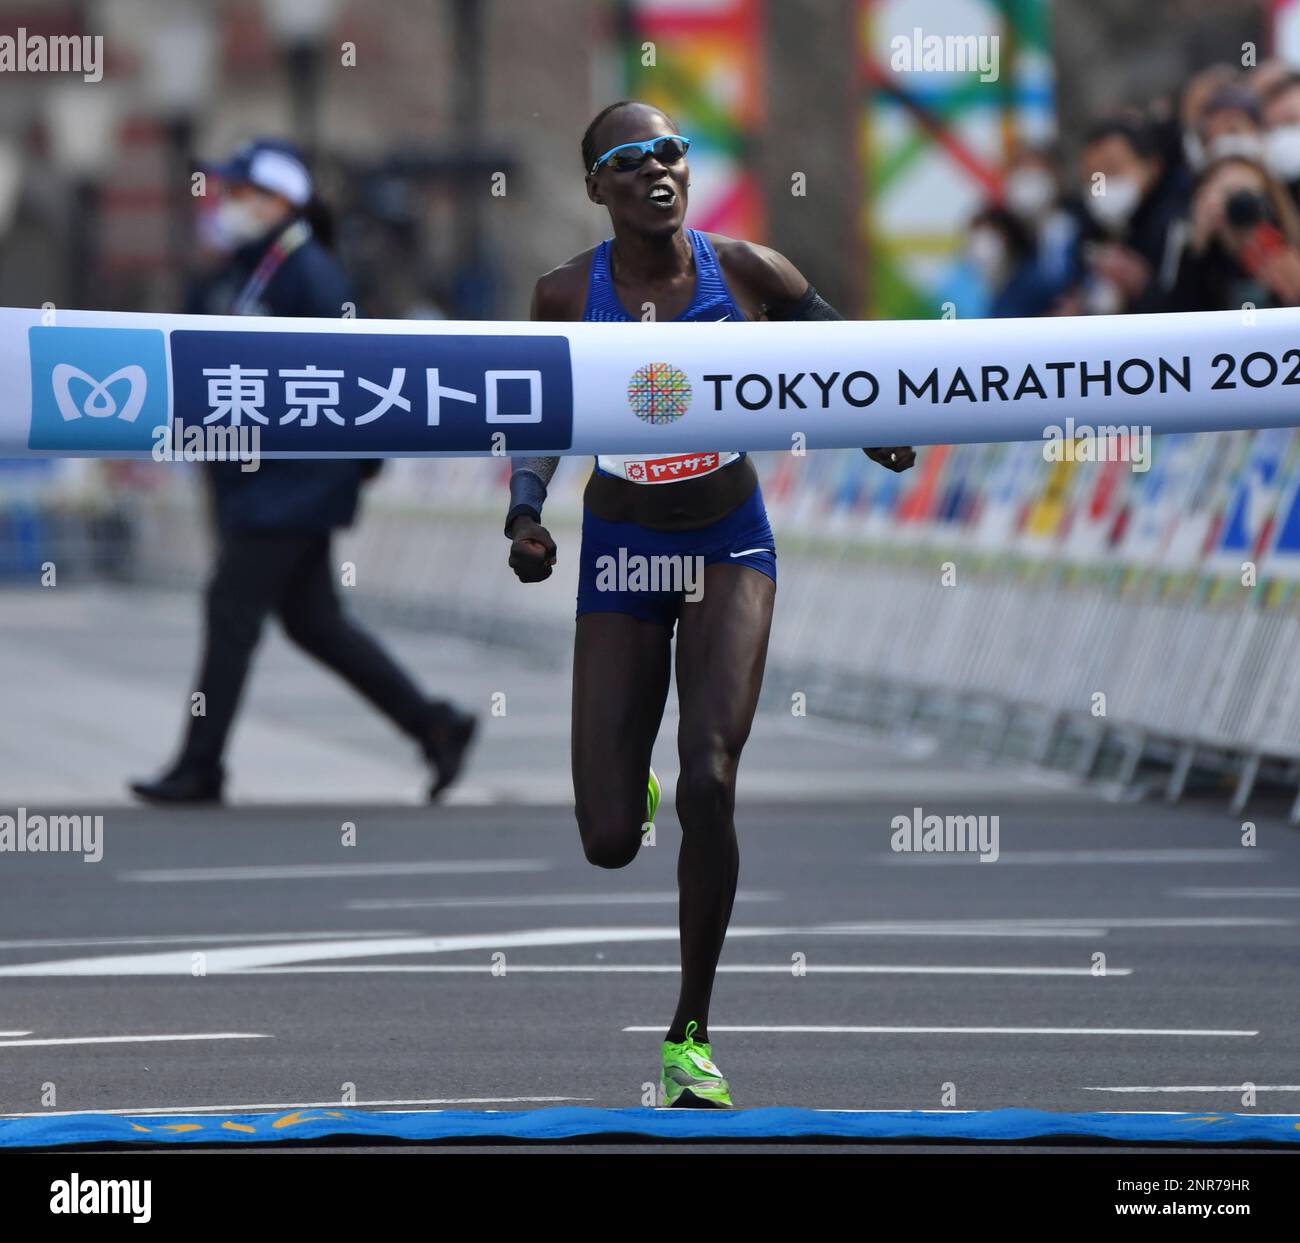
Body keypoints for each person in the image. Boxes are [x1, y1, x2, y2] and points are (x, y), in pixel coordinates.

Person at [502, 101, 914, 1107]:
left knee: (711, 777)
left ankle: (689, 1031)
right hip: (624, 548)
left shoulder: (748, 273)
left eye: (672, 154)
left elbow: (841, 364)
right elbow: (534, 417)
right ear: (597, 186)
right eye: (630, 160)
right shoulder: (565, 295)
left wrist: (883, 429)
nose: (657, 170)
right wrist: (525, 514)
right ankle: (628, 794)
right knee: (606, 837)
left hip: (728, 541)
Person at [131, 139, 476, 804]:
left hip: (296, 480)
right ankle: (436, 724)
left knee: (230, 607)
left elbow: (353, 374)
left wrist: (350, 468)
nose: (226, 205)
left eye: (240, 193)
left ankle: (201, 764)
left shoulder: (310, 275)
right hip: (264, 480)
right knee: (314, 620)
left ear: (280, 202)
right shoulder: (245, 269)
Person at [1167, 155, 1300, 312]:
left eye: (1248, 195)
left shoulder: (1283, 249)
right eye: (1229, 194)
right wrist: (1197, 245)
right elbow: (1175, 317)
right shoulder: (1199, 259)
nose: (1240, 205)